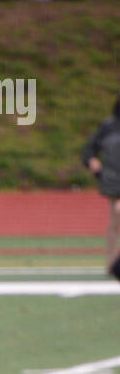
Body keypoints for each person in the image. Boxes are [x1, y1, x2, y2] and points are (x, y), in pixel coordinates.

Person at [82, 95, 120, 281]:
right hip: (114, 179)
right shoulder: (108, 126)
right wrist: (91, 159)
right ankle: (112, 265)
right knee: (115, 223)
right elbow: (89, 149)